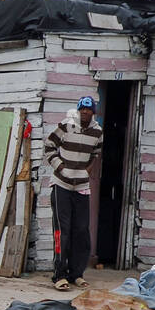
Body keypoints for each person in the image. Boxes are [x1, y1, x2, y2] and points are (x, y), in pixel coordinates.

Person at [44, 95, 104, 291]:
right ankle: (59, 275)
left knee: (81, 231)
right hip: (61, 184)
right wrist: (60, 167)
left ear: (93, 112)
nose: (85, 112)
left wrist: (88, 169)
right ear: (78, 110)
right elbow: (49, 146)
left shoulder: (97, 132)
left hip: (81, 187)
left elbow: (96, 153)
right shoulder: (66, 125)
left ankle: (76, 274)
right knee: (63, 230)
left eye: (89, 109)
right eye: (82, 109)